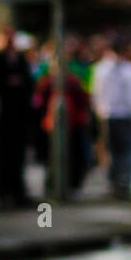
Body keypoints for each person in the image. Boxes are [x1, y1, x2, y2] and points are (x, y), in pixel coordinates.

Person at [33, 55, 93, 196]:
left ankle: (70, 185)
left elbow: (83, 100)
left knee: (72, 157)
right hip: (53, 125)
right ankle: (55, 185)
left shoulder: (71, 82)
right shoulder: (47, 83)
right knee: (53, 157)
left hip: (73, 125)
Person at [96, 39, 131, 198]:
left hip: (110, 114)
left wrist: (100, 111)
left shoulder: (102, 69)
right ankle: (123, 182)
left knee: (113, 150)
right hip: (124, 115)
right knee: (125, 151)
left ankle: (115, 181)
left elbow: (97, 93)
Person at [0, 26, 35, 208]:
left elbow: (28, 81)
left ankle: (18, 192)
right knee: (5, 156)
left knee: (19, 155)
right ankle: (5, 192)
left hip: (19, 115)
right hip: (4, 117)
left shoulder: (20, 58)